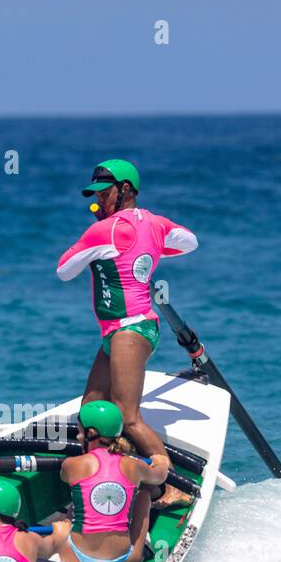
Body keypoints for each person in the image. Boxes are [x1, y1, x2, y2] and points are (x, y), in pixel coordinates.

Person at [56, 158, 195, 505]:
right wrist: (155, 246)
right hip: (127, 330)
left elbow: (63, 270)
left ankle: (171, 485)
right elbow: (190, 241)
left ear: (126, 190)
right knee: (90, 410)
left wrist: (96, 240)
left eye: (104, 194)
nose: (97, 202)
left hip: (129, 330)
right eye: (94, 196)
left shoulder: (104, 231)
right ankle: (102, 476)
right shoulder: (155, 223)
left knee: (128, 417)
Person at [58, 400, 166, 562]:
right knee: (144, 495)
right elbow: (159, 477)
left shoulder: (71, 464)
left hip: (72, 558)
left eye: (79, 431)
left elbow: (64, 478)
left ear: (91, 433)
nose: (78, 437)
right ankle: (141, 545)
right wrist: (161, 461)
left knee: (77, 503)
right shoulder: (133, 465)